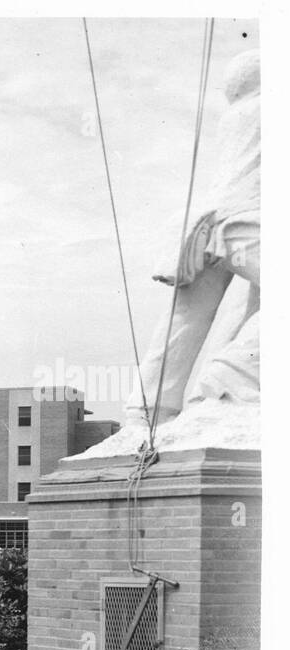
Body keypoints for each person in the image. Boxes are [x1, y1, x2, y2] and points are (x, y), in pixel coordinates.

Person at [126, 49, 259, 430]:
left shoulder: (234, 117)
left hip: (205, 221)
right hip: (246, 220)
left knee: (187, 317)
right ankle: (228, 377)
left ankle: (147, 410)